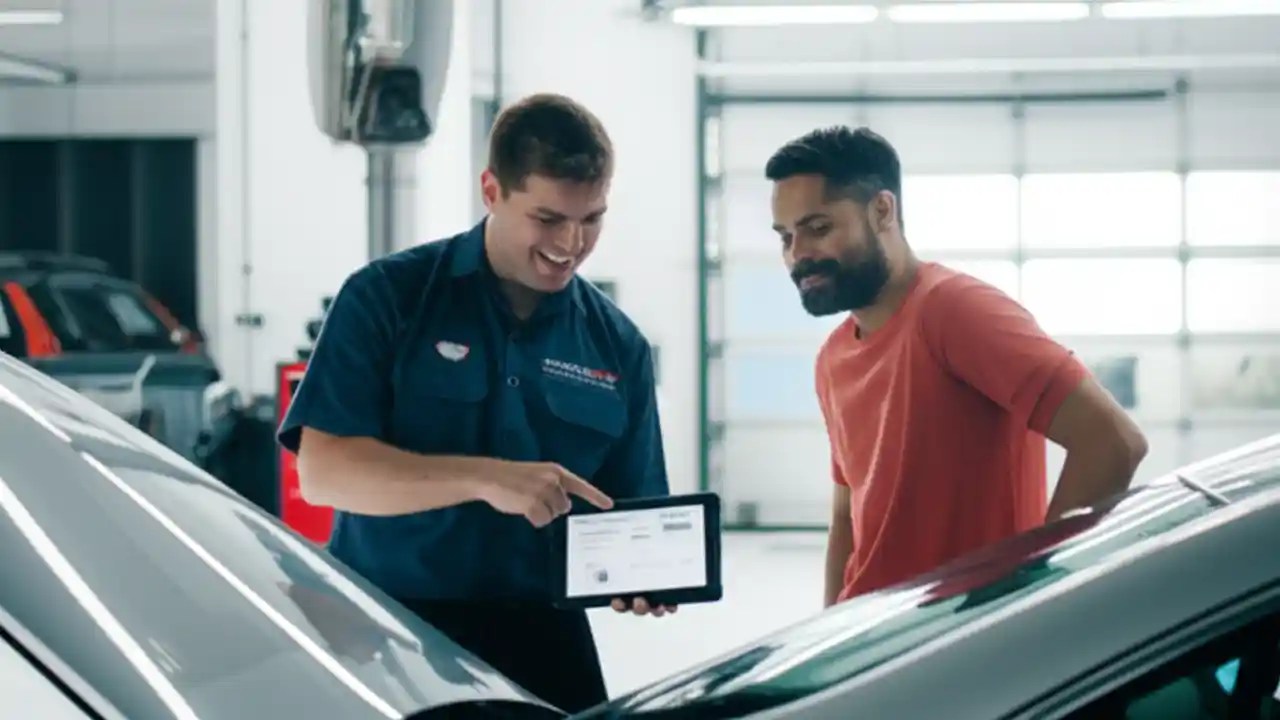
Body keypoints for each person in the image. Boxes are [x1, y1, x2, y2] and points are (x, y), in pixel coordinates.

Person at [277, 92, 673, 713]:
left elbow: (629, 507)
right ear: (491, 191)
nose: (571, 243)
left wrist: (646, 573)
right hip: (387, 629)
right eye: (548, 218)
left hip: (542, 641)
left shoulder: (617, 344)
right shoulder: (388, 298)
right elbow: (324, 474)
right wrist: (486, 479)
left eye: (592, 218)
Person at [763, 125, 1150, 608]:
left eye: (818, 228)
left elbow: (1113, 442)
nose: (798, 255)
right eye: (785, 237)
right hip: (870, 637)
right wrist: (828, 628)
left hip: (956, 641)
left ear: (882, 211)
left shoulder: (954, 310)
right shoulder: (833, 358)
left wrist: (1035, 590)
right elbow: (847, 514)